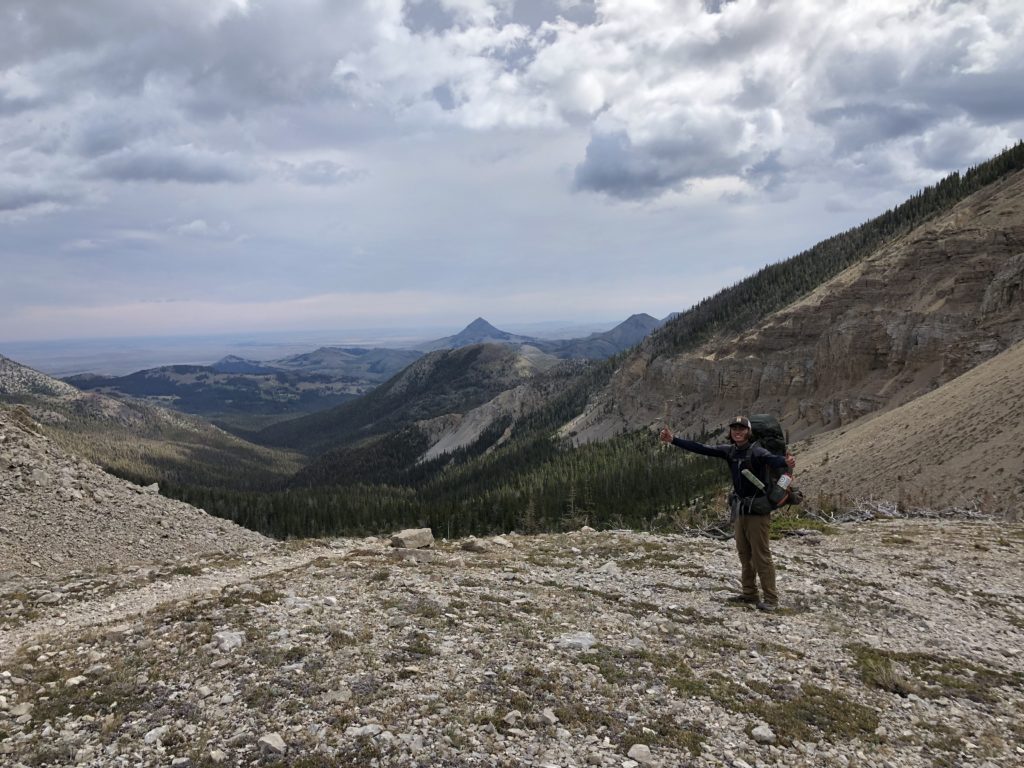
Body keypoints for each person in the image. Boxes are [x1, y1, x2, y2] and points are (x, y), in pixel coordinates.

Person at [659, 416, 795, 612]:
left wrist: (785, 460)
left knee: (761, 555)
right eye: (734, 428)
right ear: (731, 432)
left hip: (758, 512)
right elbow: (702, 448)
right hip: (741, 510)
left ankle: (771, 599)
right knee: (744, 553)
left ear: (748, 431)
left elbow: (771, 459)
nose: (737, 432)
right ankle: (749, 593)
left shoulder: (757, 451)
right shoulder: (730, 451)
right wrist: (673, 440)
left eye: (741, 428)